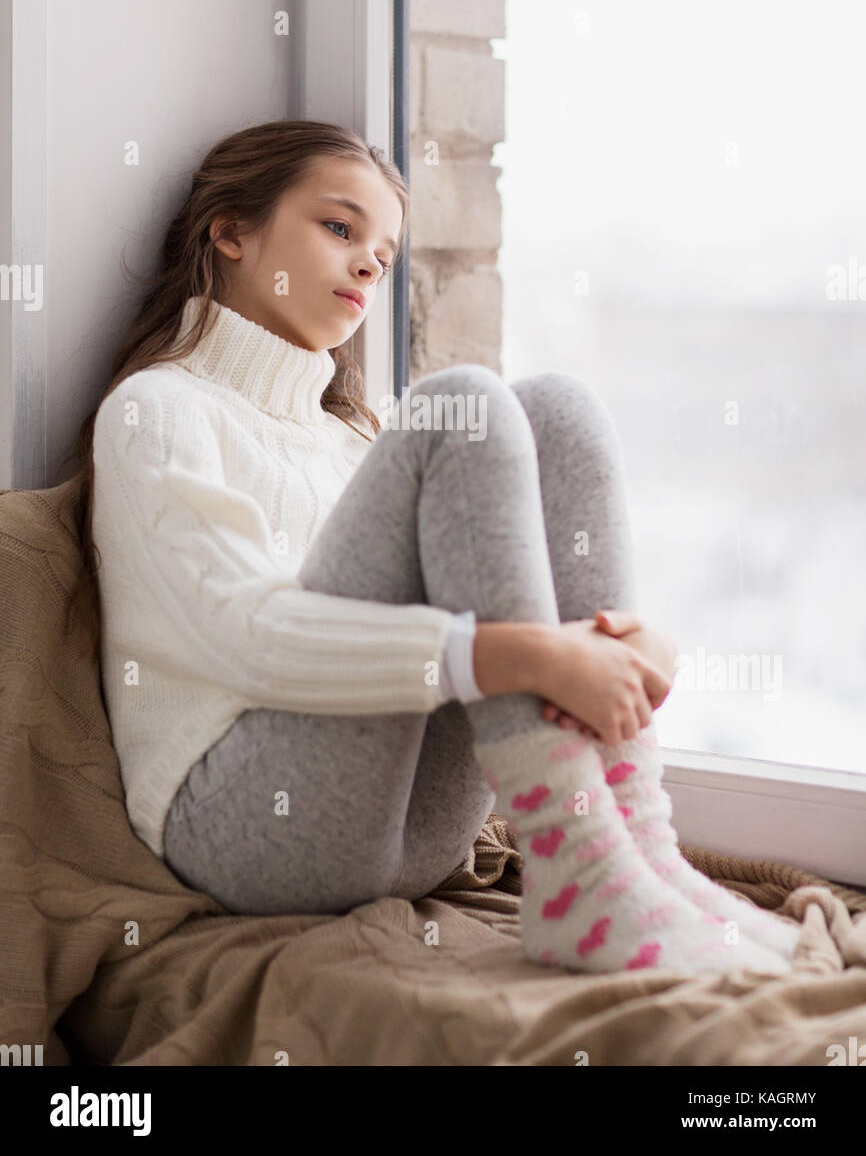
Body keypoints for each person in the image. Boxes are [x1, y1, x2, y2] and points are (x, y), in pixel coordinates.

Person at [72, 118, 800, 976]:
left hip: (416, 832)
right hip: (248, 828)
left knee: (557, 409)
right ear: (231, 232)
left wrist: (622, 639)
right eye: (341, 228)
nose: (370, 264)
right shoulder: (159, 412)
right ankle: (584, 868)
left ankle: (631, 848)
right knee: (461, 406)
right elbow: (246, 637)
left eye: (383, 252)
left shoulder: (356, 440)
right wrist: (521, 654)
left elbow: (498, 586)